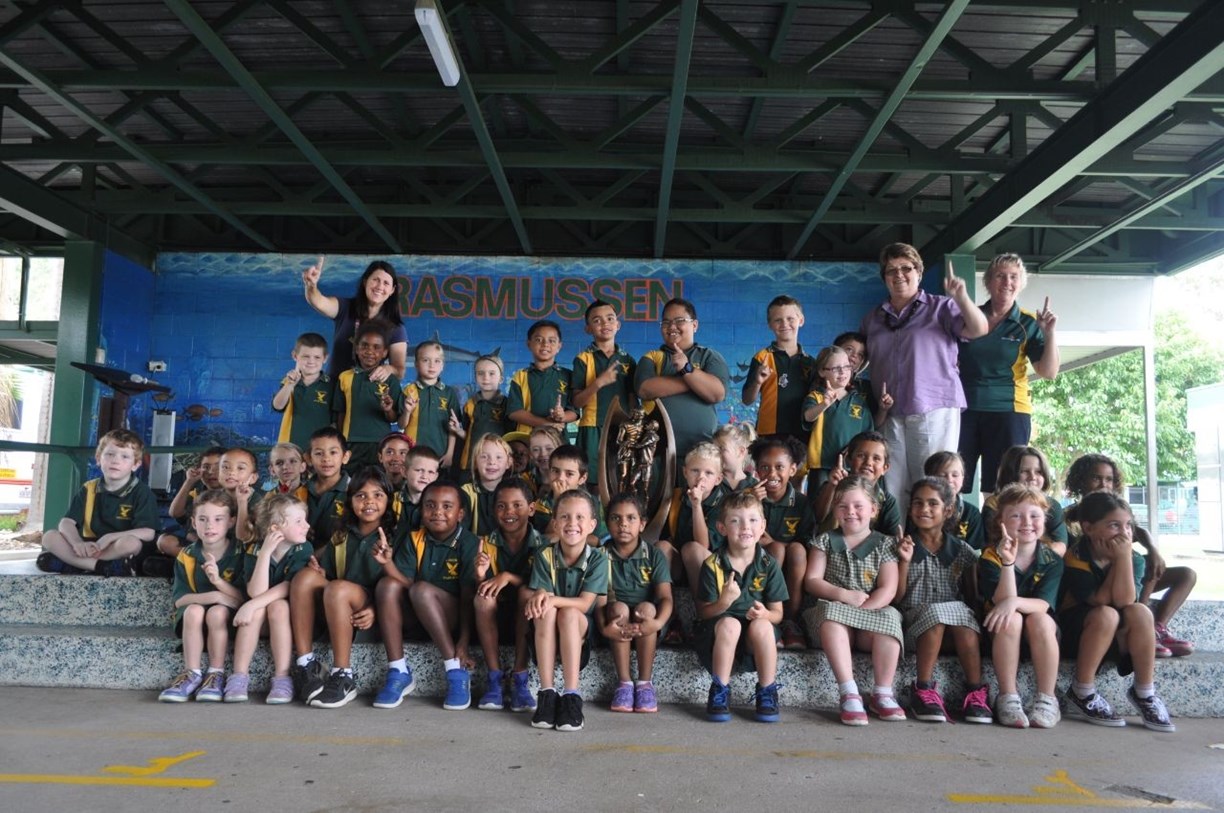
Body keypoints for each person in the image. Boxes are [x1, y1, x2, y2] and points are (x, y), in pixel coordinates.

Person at [859, 243, 988, 500]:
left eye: (906, 268)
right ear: (884, 277)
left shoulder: (941, 307)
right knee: (892, 486)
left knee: (931, 483)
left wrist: (961, 297)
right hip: (889, 411)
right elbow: (861, 359)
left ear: (919, 272)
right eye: (891, 270)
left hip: (933, 407)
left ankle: (933, 528)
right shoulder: (873, 318)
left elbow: (979, 329)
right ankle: (898, 529)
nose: (899, 275)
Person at [1057, 492, 1175, 732]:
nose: (1124, 533)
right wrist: (1120, 560)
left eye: (1128, 525)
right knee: (1106, 614)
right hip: (1077, 636)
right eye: (1114, 525)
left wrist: (1122, 559)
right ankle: (1082, 689)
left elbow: (1126, 600)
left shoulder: (1134, 559)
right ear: (1088, 528)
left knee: (1141, 612)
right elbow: (1099, 600)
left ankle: (1145, 693)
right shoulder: (1076, 557)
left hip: (1114, 636)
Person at [1064, 453, 1196, 657]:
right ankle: (1139, 625)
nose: (1103, 484)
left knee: (1183, 573)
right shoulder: (1071, 517)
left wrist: (1153, 551)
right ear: (1081, 481)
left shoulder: (1116, 509)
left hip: (1121, 574)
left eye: (1109, 479)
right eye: (1096, 478)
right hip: (1089, 578)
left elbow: (1137, 531)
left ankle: (1156, 627)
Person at [803, 476, 905, 726]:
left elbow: (888, 588)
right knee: (830, 618)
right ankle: (849, 692)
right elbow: (812, 580)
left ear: (873, 510)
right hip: (835, 615)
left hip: (871, 615)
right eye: (843, 506)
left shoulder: (885, 544)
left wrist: (865, 609)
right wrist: (843, 595)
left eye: (858, 506)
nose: (850, 512)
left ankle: (882, 693)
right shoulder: (824, 541)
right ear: (834, 509)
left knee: (891, 618)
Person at [289, 466, 394, 708]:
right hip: (339, 601)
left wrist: (376, 608)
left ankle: (343, 674)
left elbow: (399, 585)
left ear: (389, 499)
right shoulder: (342, 534)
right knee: (305, 577)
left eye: (378, 495)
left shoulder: (396, 534)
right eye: (361, 495)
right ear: (350, 500)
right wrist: (319, 572)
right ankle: (306, 664)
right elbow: (328, 572)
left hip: (372, 606)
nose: (369, 502)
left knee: (337, 589)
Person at [373, 479, 480, 711]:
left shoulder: (470, 542)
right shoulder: (414, 538)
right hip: (420, 613)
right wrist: (387, 564)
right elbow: (406, 585)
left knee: (421, 590)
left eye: (447, 506)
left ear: (460, 514)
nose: (437, 512)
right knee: (387, 585)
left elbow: (467, 596)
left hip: (453, 617)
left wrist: (463, 641)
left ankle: (455, 670)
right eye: (430, 505)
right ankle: (399, 670)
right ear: (421, 511)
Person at [958, 253, 1059, 495]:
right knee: (955, 482)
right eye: (1000, 276)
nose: (1007, 282)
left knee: (1004, 488)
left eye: (1013, 277)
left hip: (1009, 411)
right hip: (964, 409)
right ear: (988, 281)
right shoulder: (969, 317)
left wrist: (1049, 334)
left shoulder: (1028, 322)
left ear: (1021, 283)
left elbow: (1048, 372)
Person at [894, 477, 988, 724]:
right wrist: (904, 561)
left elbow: (971, 599)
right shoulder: (901, 546)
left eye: (932, 503)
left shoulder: (963, 552)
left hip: (956, 634)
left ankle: (975, 692)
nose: (924, 509)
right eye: (918, 503)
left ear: (947, 510)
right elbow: (897, 597)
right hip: (915, 630)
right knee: (936, 616)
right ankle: (922, 688)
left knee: (963, 619)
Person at [978, 484, 1064, 729]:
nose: (1027, 522)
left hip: (1040, 633)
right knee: (1012, 618)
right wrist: (1008, 563)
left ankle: (1047, 699)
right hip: (1001, 632)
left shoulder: (1052, 559)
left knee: (1040, 618)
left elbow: (1043, 604)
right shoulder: (991, 556)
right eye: (1016, 516)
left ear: (1044, 520)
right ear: (1001, 522)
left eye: (1035, 515)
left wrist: (1015, 602)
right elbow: (1001, 602)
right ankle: (1008, 696)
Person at [695, 491, 786, 723]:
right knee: (730, 624)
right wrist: (724, 602)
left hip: (753, 637)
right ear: (722, 528)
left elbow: (778, 614)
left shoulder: (768, 564)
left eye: (753, 520)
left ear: (762, 526)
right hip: (719, 635)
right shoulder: (713, 565)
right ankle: (719, 690)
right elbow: (703, 612)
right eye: (736, 521)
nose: (746, 527)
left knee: (763, 626)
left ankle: (767, 690)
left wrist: (765, 614)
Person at [525, 489, 609, 732]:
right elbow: (542, 594)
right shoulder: (544, 555)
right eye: (564, 517)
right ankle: (547, 693)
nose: (572, 523)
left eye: (580, 517)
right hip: (548, 630)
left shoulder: (598, 559)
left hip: (579, 631)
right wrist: (542, 598)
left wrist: (551, 599)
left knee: (568, 613)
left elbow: (584, 604)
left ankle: (572, 695)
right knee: (545, 610)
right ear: (554, 523)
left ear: (592, 525)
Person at [225, 494, 312, 704]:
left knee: (278, 606)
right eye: (298, 521)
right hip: (258, 620)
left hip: (288, 620)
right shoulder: (254, 549)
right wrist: (264, 554)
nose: (307, 526)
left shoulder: (303, 548)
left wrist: (250, 605)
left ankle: (282, 678)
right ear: (275, 528)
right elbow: (256, 591)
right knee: (256, 611)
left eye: (305, 519)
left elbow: (289, 586)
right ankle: (239, 675)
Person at [158, 489, 244, 702]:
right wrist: (215, 595)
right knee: (194, 611)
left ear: (231, 521)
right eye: (203, 519)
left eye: (218, 519)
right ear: (194, 523)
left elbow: (242, 600)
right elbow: (180, 600)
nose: (210, 526)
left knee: (217, 612)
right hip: (193, 621)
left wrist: (218, 581)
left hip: (228, 622)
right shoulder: (187, 555)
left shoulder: (241, 552)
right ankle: (192, 673)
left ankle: (216, 673)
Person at [37, 429, 158, 577]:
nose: (115, 460)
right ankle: (100, 566)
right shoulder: (89, 488)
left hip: (115, 547)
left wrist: (110, 537)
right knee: (49, 537)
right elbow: (66, 522)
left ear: (136, 464)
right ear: (98, 458)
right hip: (88, 545)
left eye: (125, 456)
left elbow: (148, 533)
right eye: (110, 454)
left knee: (131, 543)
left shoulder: (142, 492)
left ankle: (73, 564)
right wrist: (77, 543)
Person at [473, 478, 548, 713]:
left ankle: (520, 677)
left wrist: (508, 577)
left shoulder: (544, 544)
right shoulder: (485, 544)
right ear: (493, 510)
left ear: (531, 509)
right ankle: (494, 677)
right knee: (483, 598)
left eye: (517, 505)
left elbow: (543, 585)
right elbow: (481, 588)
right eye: (501, 506)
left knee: (528, 593)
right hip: (494, 620)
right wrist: (480, 575)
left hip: (528, 621)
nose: (509, 512)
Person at [634, 297, 730, 467]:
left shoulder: (710, 357)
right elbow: (645, 389)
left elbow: (716, 393)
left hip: (701, 453)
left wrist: (686, 368)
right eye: (666, 322)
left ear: (695, 325)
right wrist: (693, 379)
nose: (672, 327)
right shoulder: (652, 357)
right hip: (657, 452)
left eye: (679, 321)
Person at [600, 492, 673, 714]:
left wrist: (658, 623)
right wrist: (604, 628)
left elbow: (666, 598)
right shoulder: (600, 555)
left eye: (631, 518)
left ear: (642, 524)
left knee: (647, 608)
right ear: (607, 523)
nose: (623, 524)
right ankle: (624, 683)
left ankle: (644, 684)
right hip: (613, 620)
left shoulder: (654, 555)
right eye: (616, 518)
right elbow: (598, 600)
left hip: (647, 623)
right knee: (619, 608)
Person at [748, 436, 815, 651]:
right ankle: (767, 614)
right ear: (756, 470)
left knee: (796, 550)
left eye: (779, 467)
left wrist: (776, 543)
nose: (772, 474)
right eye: (765, 467)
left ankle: (790, 621)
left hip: (792, 565)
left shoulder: (802, 503)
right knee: (776, 549)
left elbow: (806, 540)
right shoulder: (749, 497)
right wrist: (751, 504)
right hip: (755, 562)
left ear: (792, 469)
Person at [302, 257, 408, 380]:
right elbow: (318, 302)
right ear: (365, 282)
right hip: (334, 387)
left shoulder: (395, 327)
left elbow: (399, 370)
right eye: (375, 280)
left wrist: (389, 369)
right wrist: (311, 285)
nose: (380, 286)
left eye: (386, 283)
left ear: (392, 290)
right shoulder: (345, 307)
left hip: (368, 390)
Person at [802, 344, 888, 495]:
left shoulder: (859, 400)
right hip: (823, 464)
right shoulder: (817, 397)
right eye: (836, 368)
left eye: (846, 367)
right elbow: (808, 417)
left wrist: (882, 409)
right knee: (820, 503)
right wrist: (823, 405)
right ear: (822, 371)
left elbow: (868, 433)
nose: (842, 372)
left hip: (852, 466)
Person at [572, 300, 636, 487]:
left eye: (609, 319)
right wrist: (599, 382)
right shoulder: (583, 359)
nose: (605, 324)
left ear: (618, 325)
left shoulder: (628, 360)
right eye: (597, 320)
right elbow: (577, 402)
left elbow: (633, 400)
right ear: (588, 329)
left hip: (622, 430)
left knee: (620, 482)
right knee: (591, 483)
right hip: (592, 429)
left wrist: (634, 431)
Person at [741, 295, 817, 443]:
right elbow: (747, 400)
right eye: (778, 320)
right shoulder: (762, 358)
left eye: (790, 319)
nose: (784, 324)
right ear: (770, 324)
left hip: (802, 433)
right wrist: (757, 382)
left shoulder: (810, 362)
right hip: (769, 432)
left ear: (801, 320)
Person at [334, 319, 406, 471]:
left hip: (380, 443)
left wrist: (388, 409)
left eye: (376, 347)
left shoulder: (390, 380)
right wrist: (341, 441)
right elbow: (340, 413)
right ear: (356, 349)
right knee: (352, 481)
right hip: (351, 443)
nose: (369, 351)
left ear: (385, 352)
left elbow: (393, 418)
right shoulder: (345, 377)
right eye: (364, 345)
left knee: (378, 481)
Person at [656, 441, 726, 596]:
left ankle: (700, 604)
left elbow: (702, 545)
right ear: (685, 472)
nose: (701, 477)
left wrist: (696, 506)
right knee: (662, 547)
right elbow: (668, 538)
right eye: (695, 471)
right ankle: (666, 601)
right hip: (681, 563)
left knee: (692, 549)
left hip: (712, 568)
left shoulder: (724, 504)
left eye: (709, 473)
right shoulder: (676, 497)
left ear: (718, 479)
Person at [811, 430, 902, 535]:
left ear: (885, 468)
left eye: (876, 458)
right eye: (861, 456)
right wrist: (832, 487)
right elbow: (816, 518)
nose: (868, 462)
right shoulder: (832, 487)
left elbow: (892, 538)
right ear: (849, 460)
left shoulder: (887, 502)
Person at [151, 445, 226, 570]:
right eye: (206, 467)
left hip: (221, 546)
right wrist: (189, 482)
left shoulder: (232, 495)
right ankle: (200, 565)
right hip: (197, 545)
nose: (211, 472)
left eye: (218, 467)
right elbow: (174, 513)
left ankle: (192, 565)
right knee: (165, 542)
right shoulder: (197, 492)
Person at [982, 445, 1067, 552]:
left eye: (1039, 472)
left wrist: (1034, 557)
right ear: (1010, 474)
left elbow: (1060, 546)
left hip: (1044, 561)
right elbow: (993, 545)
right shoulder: (994, 504)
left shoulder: (1052, 505)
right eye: (1025, 471)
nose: (1033, 477)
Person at [508, 320, 577, 432]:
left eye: (552, 341)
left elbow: (575, 412)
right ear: (529, 344)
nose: (545, 344)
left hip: (558, 436)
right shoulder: (520, 376)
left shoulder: (568, 375)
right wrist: (545, 423)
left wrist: (562, 416)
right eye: (539, 340)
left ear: (559, 346)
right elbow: (514, 412)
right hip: (526, 437)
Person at [401, 340, 461, 469]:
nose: (432, 365)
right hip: (413, 453)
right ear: (416, 364)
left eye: (437, 361)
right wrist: (407, 411)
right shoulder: (409, 390)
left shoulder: (449, 393)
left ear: (442, 365)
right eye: (425, 360)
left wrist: (450, 454)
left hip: (441, 456)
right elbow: (401, 425)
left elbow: (453, 429)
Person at [531, 444, 606, 544]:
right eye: (555, 471)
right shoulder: (542, 504)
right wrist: (559, 500)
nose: (560, 478)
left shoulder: (591, 502)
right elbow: (546, 539)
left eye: (569, 474)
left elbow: (594, 540)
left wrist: (561, 537)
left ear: (582, 478)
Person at [454, 354, 513, 476]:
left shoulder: (507, 405)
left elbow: (511, 436)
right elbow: (468, 434)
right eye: (480, 373)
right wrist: (458, 431)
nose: (486, 378)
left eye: (491, 373)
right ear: (475, 377)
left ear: (501, 378)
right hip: (471, 463)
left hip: (496, 465)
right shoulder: (470, 404)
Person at [272, 332, 332, 450]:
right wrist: (290, 385)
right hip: (291, 447)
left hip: (320, 448)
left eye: (317, 357)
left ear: (325, 358)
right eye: (305, 356)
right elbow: (277, 406)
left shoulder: (331, 385)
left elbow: (335, 421)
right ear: (295, 356)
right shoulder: (288, 381)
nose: (311, 361)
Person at [923, 451, 984, 550]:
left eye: (955, 475)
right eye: (942, 475)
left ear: (962, 478)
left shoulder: (971, 513)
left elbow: (975, 552)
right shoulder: (921, 510)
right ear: (929, 479)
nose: (949, 480)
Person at [305, 427, 351, 548]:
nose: (326, 459)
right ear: (309, 458)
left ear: (345, 457)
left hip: (338, 554)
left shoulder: (353, 491)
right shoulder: (300, 491)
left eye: (333, 452)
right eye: (319, 453)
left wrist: (318, 555)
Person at [461, 433, 514, 536]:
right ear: (475, 462)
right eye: (484, 457)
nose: (492, 462)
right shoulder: (466, 492)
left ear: (508, 463)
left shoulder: (515, 493)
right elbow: (460, 532)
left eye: (498, 457)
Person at [219, 447, 262, 544]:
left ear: (253, 478)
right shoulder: (213, 498)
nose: (231, 472)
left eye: (240, 468)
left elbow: (244, 537)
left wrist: (242, 502)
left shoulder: (258, 502)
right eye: (225, 467)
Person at [713, 423, 759, 494]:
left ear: (741, 451)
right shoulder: (711, 480)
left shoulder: (755, 486)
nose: (715, 453)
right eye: (714, 449)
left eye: (722, 449)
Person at [524, 426, 562, 496]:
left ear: (559, 449)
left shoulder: (568, 479)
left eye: (549, 448)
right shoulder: (524, 480)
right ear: (530, 454)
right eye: (536, 449)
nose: (543, 454)